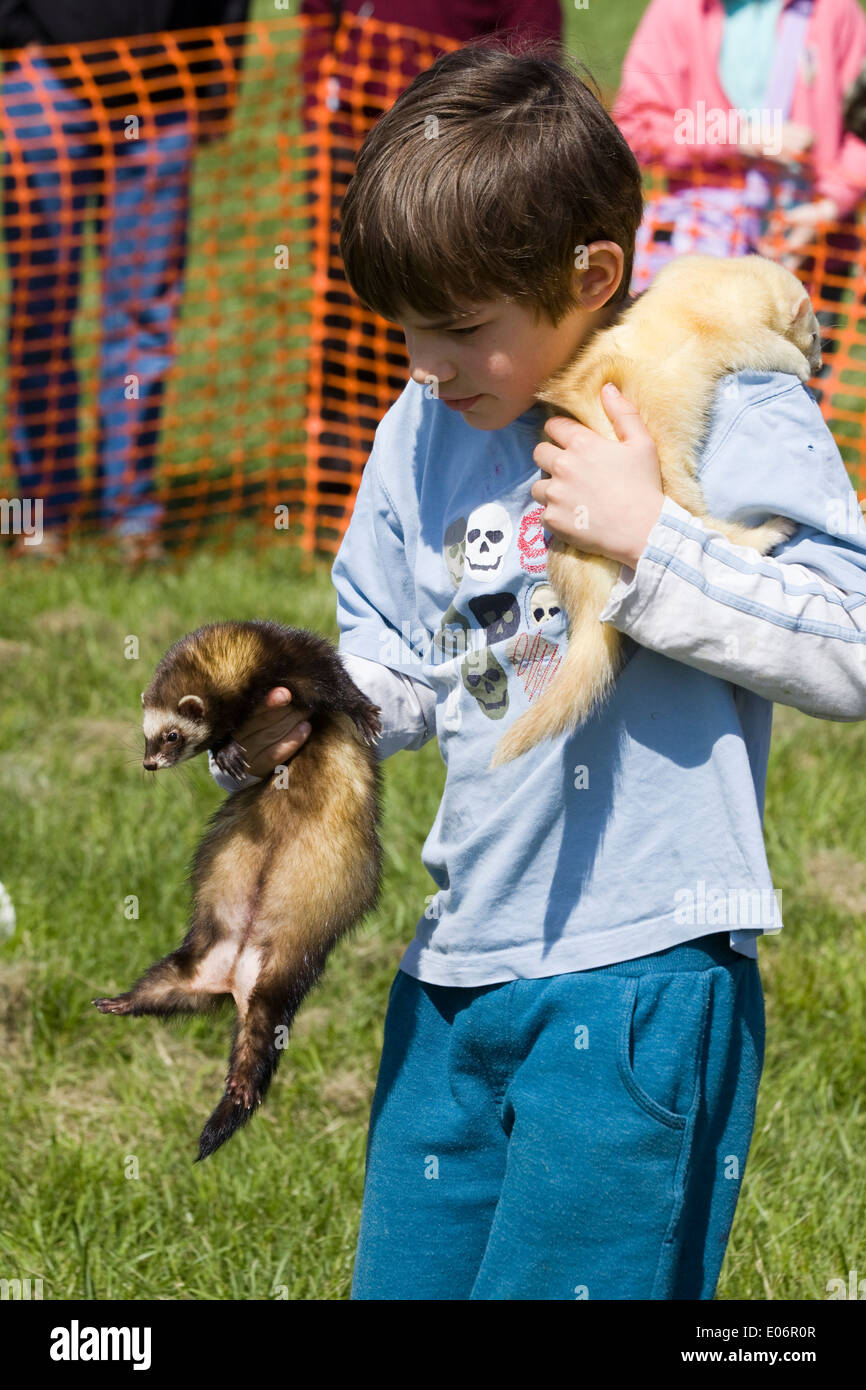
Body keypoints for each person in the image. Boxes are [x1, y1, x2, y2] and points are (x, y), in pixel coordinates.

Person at [208, 41, 866, 1299]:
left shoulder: (716, 398)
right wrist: (316, 706)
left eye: (458, 330)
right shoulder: (421, 425)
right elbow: (403, 658)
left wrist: (648, 540)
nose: (423, 365)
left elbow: (847, 641)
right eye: (402, 330)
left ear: (593, 274)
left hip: (637, 986)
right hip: (454, 971)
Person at [0, 1, 249, 560]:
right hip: (46, 80)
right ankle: (39, 516)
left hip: (166, 87)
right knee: (39, 309)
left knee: (145, 314)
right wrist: (16, 37)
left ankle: (133, 518)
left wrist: (218, 73)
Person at [612, 0, 866, 285]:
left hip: (815, 256)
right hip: (704, 248)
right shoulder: (678, 10)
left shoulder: (835, 11)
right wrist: (738, 136)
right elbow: (637, 127)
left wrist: (830, 206)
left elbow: (862, 130)